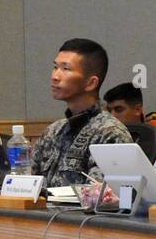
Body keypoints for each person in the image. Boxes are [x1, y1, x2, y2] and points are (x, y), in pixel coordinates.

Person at [31, 38, 133, 186]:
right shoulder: (52, 132)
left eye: (66, 69)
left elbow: (99, 198)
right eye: (55, 67)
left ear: (91, 83)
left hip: (76, 209)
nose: (55, 76)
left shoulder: (110, 134)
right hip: (43, 209)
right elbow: (29, 187)